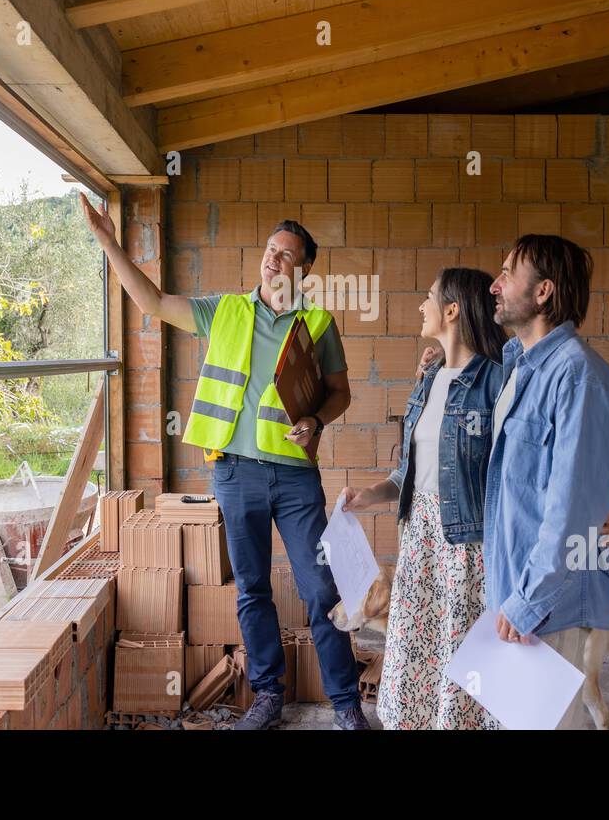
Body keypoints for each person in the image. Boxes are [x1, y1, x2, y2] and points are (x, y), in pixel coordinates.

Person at [79, 194, 368, 730]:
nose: (273, 260)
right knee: (253, 587)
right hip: (235, 473)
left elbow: (340, 392)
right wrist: (107, 241)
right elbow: (151, 302)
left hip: (296, 476)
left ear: (303, 270)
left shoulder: (318, 323)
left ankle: (346, 704)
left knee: (321, 588)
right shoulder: (226, 311)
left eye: (286, 256)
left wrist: (318, 421)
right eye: (270, 250)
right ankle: (266, 696)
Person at [341, 268, 506, 729]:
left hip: (466, 547)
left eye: (429, 297)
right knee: (418, 652)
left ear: (452, 311)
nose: (421, 305)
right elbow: (407, 473)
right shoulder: (428, 379)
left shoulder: (496, 382)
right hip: (419, 539)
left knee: (462, 658)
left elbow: (509, 477)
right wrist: (367, 496)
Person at [484, 233, 609, 729]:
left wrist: (528, 602)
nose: (495, 285)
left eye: (508, 273)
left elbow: (574, 512)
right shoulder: (524, 371)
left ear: (543, 291)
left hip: (551, 607)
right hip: (520, 596)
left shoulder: (578, 379)